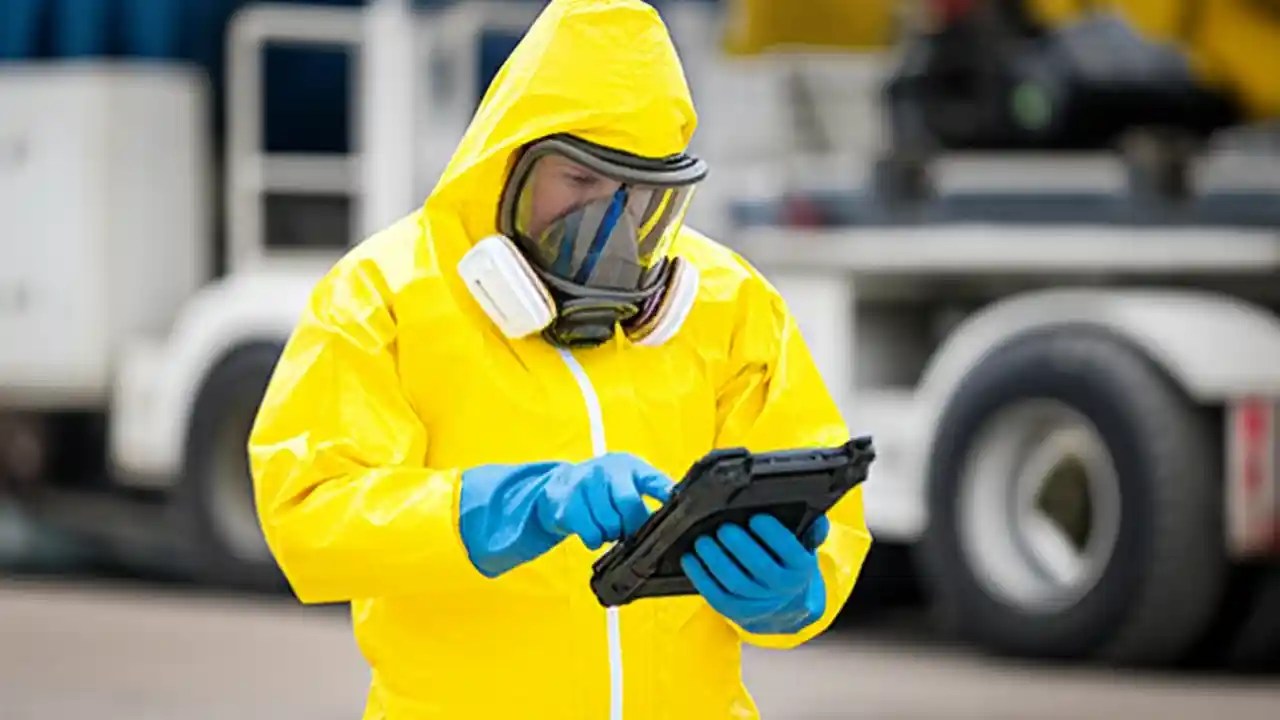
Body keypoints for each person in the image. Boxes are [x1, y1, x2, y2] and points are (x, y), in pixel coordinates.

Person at [247, 0, 872, 717]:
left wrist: (798, 592)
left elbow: (824, 508)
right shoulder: (386, 295)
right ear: (509, 163)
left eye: (640, 195)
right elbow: (311, 516)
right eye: (581, 184)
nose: (612, 224)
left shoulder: (727, 304)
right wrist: (517, 507)